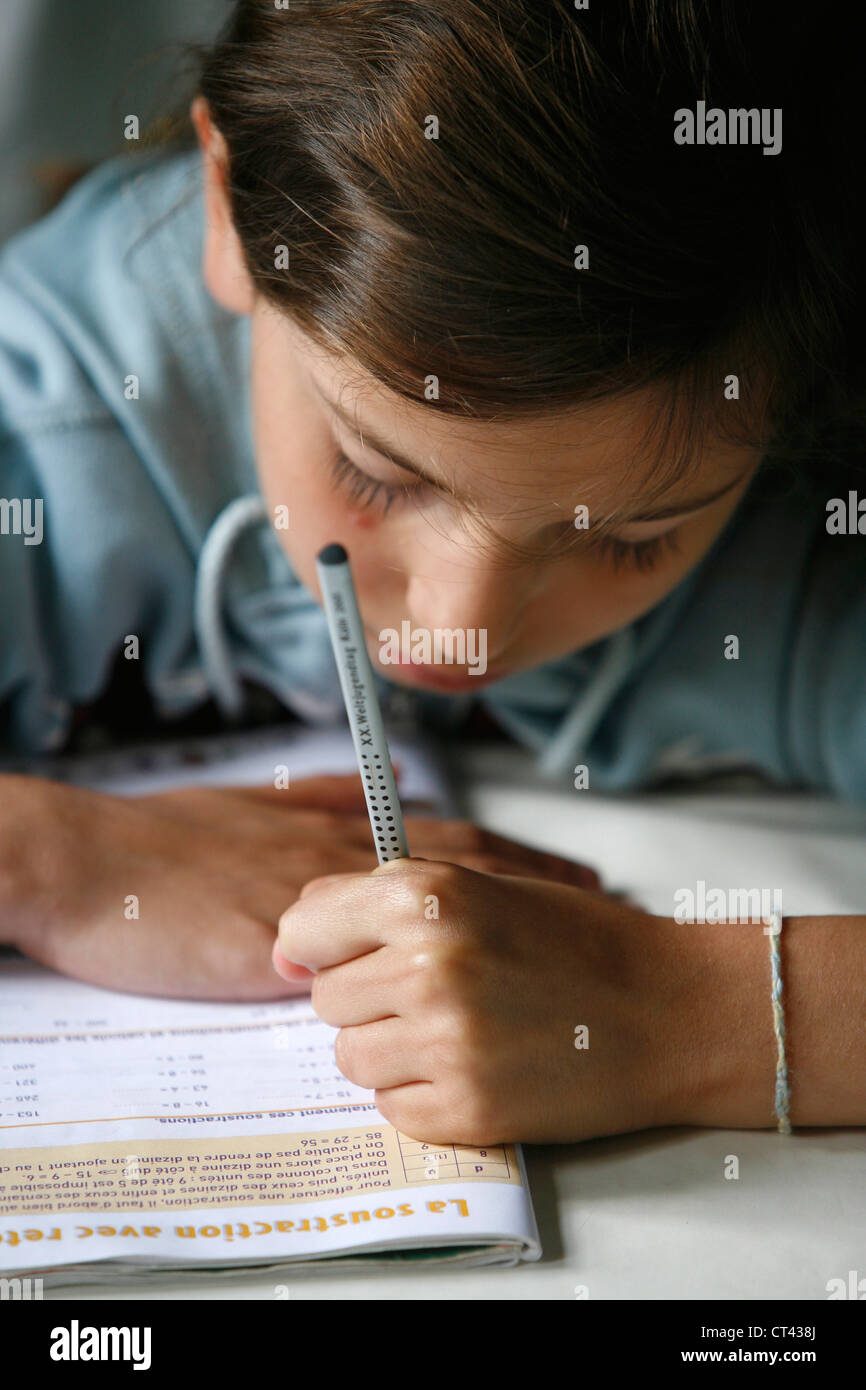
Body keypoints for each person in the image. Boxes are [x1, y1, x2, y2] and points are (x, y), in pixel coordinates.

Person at [0, 0, 862, 1143]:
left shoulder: (805, 514)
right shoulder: (51, 417)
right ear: (224, 210)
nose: (460, 626)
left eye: (625, 536)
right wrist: (50, 853)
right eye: (377, 470)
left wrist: (677, 1012)